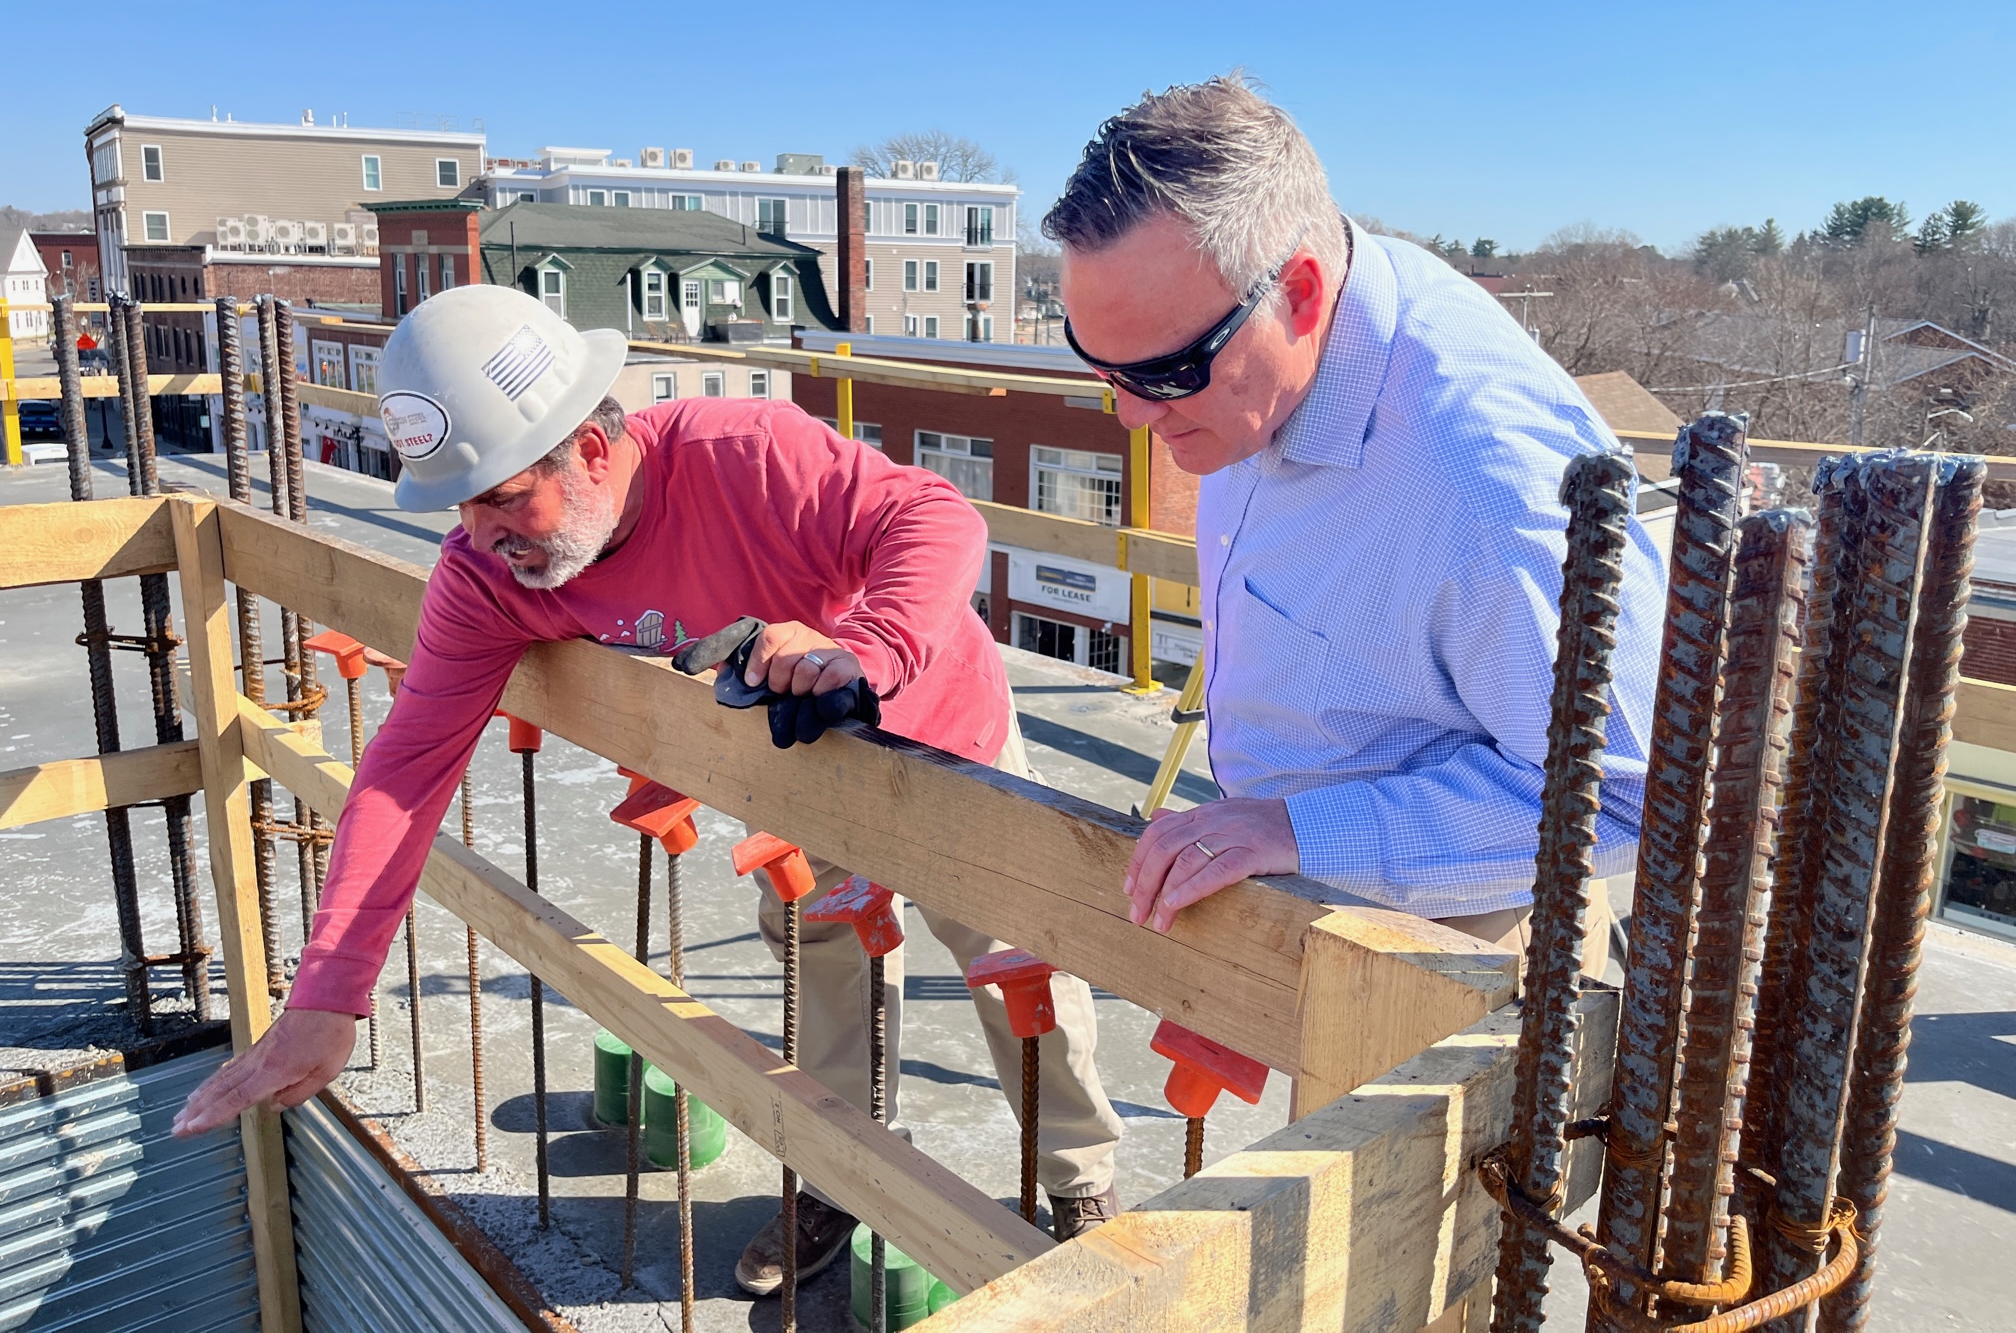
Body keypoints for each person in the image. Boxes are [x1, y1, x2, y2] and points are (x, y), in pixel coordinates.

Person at [173, 285, 1125, 1291]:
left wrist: (865, 647)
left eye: (501, 496)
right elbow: (406, 770)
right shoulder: (491, 575)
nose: (483, 533)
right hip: (797, 787)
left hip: (945, 747)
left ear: (589, 446)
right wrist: (331, 992)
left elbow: (929, 516)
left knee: (1017, 967)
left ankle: (1079, 1183)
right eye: (460, 504)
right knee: (826, 967)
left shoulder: (744, 456)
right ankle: (840, 1183)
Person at [1050, 78, 1663, 968]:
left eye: (1167, 373)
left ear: (1299, 293)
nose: (1131, 417)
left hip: (1454, 931)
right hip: (1294, 878)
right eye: (1100, 368)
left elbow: (1618, 800)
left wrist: (1303, 831)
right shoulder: (1260, 341)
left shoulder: (1484, 482)